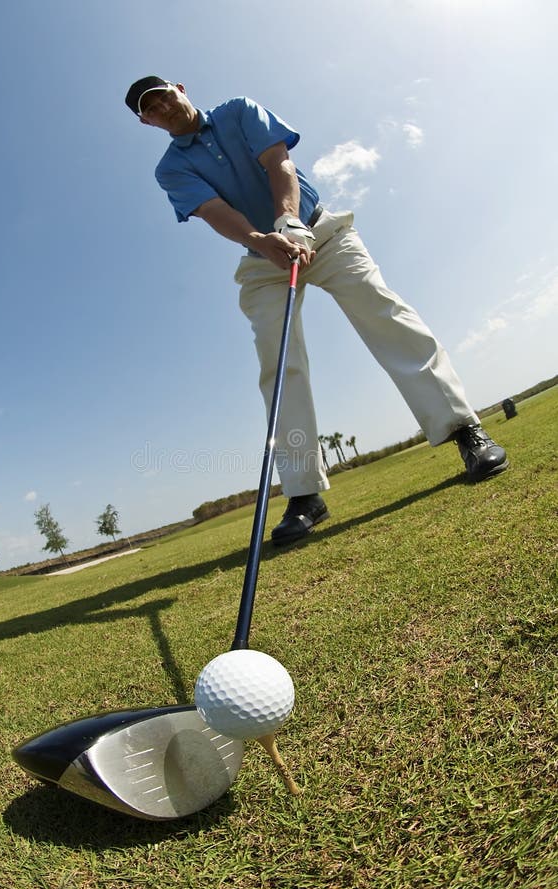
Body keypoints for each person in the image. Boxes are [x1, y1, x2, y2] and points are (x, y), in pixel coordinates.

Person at [124, 76, 509, 547]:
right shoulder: (170, 168)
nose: (162, 106)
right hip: (262, 258)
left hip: (319, 231)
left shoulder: (237, 110)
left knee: (384, 312)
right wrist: (263, 240)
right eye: (151, 108)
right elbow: (213, 210)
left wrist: (287, 220)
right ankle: (305, 495)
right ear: (146, 121)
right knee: (278, 363)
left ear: (180, 88)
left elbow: (277, 161)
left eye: (163, 95)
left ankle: (465, 430)